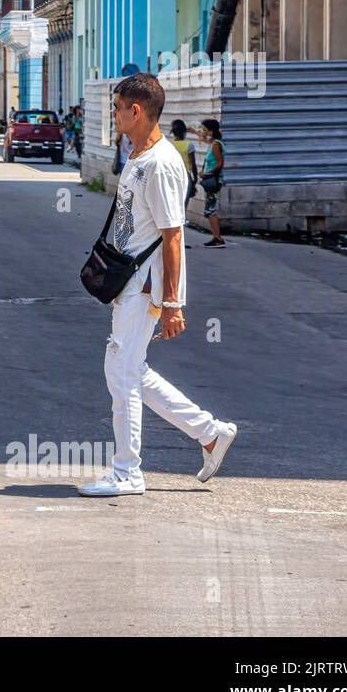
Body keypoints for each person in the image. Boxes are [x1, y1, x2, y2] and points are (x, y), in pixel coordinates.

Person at [78, 73, 237, 497]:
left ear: (136, 110)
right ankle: (209, 433)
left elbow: (174, 235)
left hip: (145, 286)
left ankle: (128, 473)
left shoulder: (162, 164)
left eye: (116, 108)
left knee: (122, 372)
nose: (112, 114)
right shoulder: (137, 156)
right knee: (130, 370)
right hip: (129, 281)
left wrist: (173, 303)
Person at [198, 118, 226, 248]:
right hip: (211, 180)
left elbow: (220, 163)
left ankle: (218, 238)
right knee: (210, 209)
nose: (202, 132)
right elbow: (203, 139)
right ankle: (216, 237)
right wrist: (194, 132)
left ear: (210, 131)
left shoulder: (216, 145)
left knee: (211, 210)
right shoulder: (213, 142)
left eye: (204, 130)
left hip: (213, 180)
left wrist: (206, 173)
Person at [170, 119, 198, 204]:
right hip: (185, 177)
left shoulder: (169, 145)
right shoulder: (189, 145)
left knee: (174, 203)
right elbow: (193, 164)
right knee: (183, 204)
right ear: (184, 132)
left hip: (171, 176)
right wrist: (195, 180)